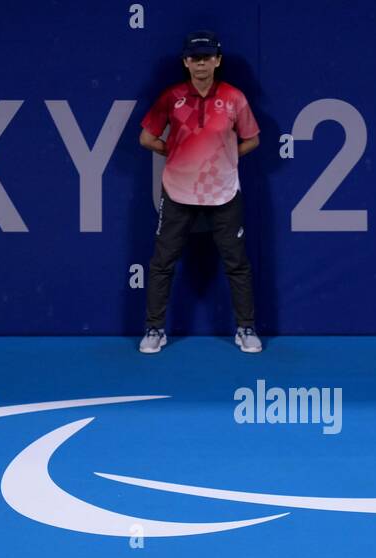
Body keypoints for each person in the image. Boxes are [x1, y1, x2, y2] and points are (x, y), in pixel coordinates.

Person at [137, 30, 262, 354]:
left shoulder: (235, 98)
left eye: (207, 57)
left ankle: (246, 328)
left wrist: (223, 158)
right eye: (195, 58)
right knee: (162, 262)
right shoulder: (171, 97)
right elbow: (147, 138)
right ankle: (154, 330)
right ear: (186, 62)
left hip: (223, 193)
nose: (201, 63)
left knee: (237, 263)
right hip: (178, 191)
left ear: (218, 61)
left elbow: (252, 139)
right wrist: (178, 153)